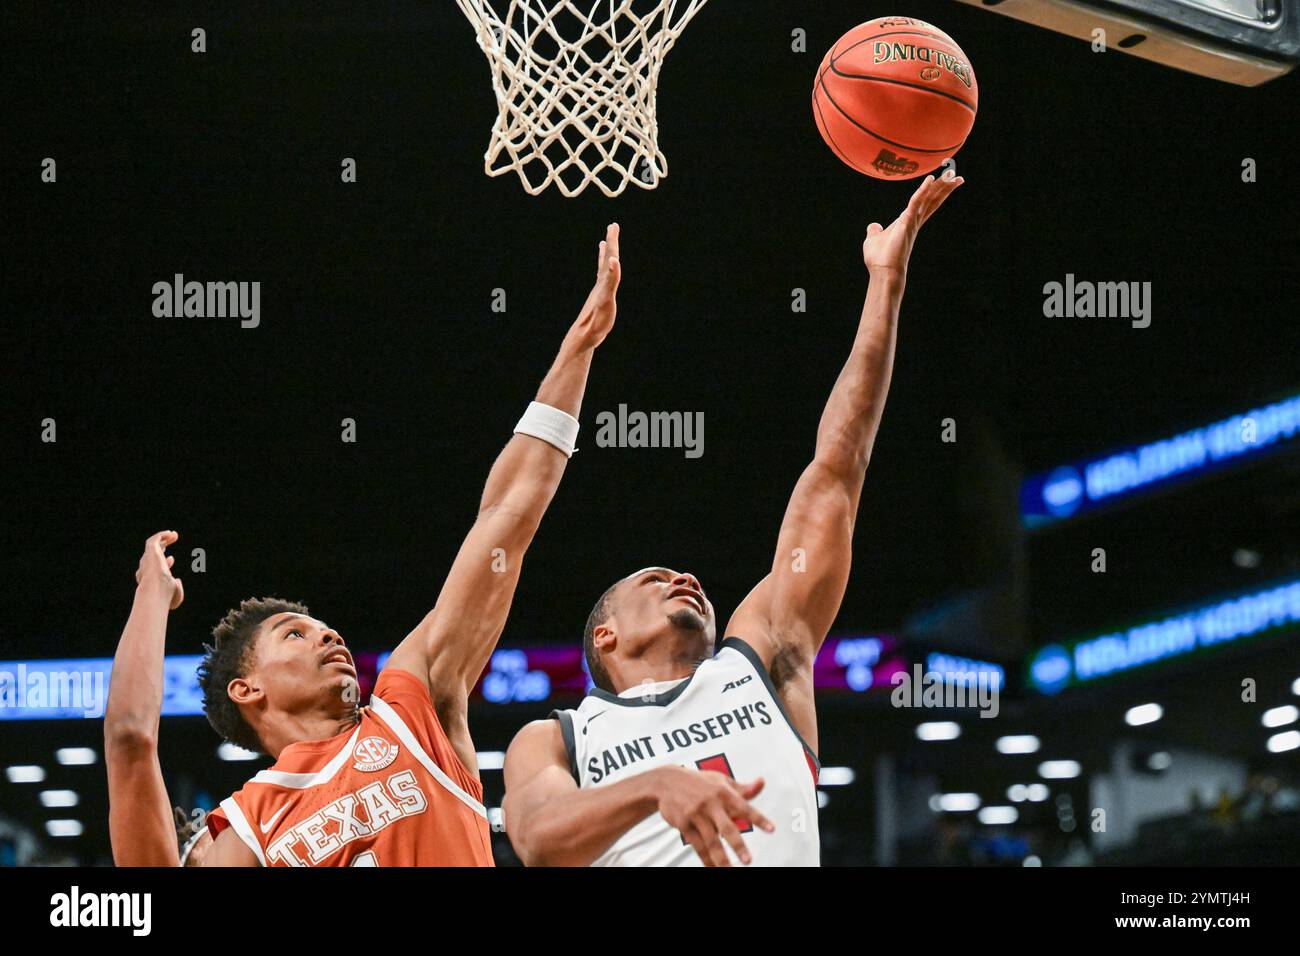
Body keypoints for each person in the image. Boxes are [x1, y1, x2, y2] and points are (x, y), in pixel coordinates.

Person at [104, 225, 623, 866]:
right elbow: (130, 741)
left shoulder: (412, 705)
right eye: (295, 634)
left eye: (323, 629)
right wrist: (151, 599)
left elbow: (504, 520)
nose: (330, 637)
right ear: (247, 690)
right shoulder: (240, 837)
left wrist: (578, 347)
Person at [502, 174, 964, 866]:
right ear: (606, 635)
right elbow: (537, 838)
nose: (684, 576)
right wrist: (656, 787)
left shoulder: (763, 659)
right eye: (654, 580)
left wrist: (886, 283)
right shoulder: (559, 736)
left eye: (682, 574)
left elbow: (836, 470)